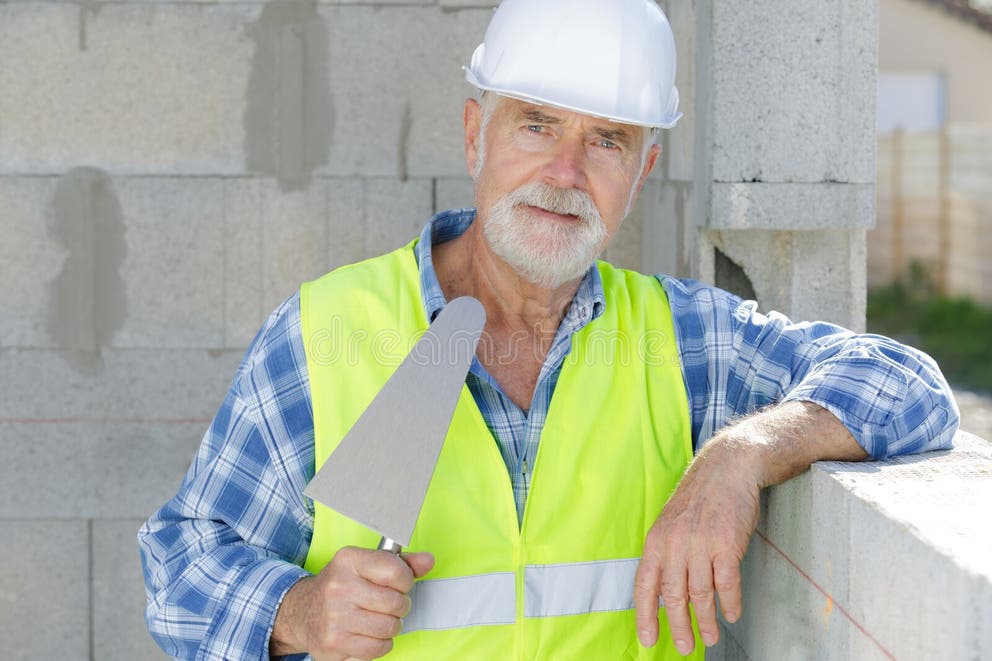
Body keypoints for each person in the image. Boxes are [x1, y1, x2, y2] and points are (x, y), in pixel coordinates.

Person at [139, 0, 958, 659]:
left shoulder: (682, 343)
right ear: (474, 135)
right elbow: (178, 566)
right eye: (536, 123)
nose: (565, 173)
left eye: (606, 140)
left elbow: (910, 387)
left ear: (641, 172)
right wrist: (299, 607)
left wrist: (742, 454)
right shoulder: (325, 336)